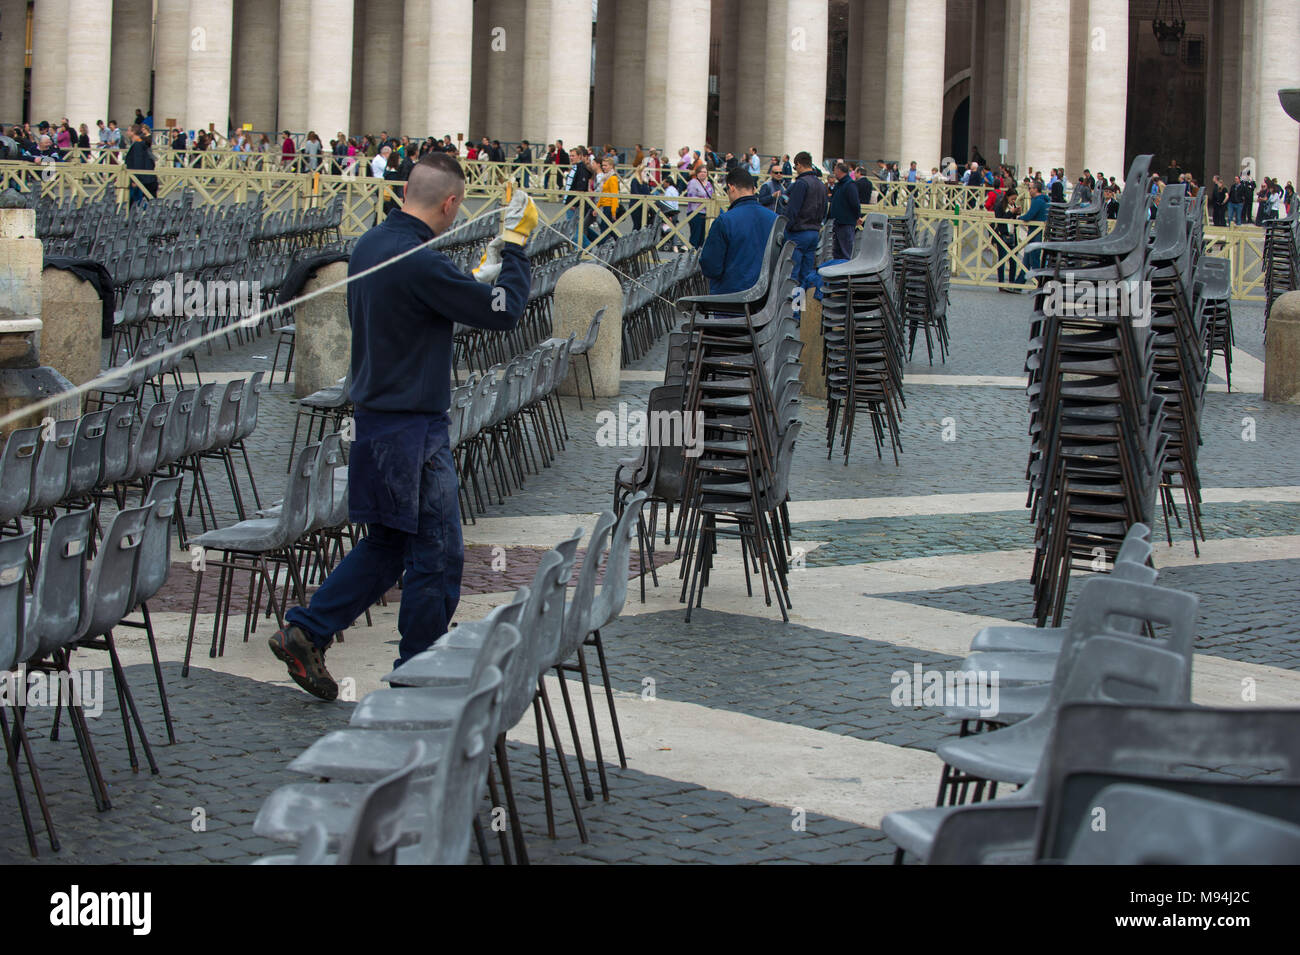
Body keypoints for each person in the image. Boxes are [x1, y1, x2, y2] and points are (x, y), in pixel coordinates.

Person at [269, 154, 537, 699]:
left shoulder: (372, 244)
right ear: (450, 203)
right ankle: (421, 671)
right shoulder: (418, 260)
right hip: (412, 428)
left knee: (389, 544)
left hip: (376, 419)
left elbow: (428, 299)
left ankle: (308, 629)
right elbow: (505, 311)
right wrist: (514, 249)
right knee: (437, 554)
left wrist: (476, 273)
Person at [699, 167, 779, 295]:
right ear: (753, 189)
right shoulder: (775, 219)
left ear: (731, 187)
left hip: (731, 297)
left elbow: (710, 267)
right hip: (766, 297)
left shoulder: (724, 220)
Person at [782, 151, 828, 292]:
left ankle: (793, 311)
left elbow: (792, 210)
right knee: (806, 276)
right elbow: (825, 209)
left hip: (799, 233)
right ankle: (802, 310)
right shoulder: (821, 185)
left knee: (793, 275)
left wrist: (786, 228)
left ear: (798, 165)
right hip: (814, 232)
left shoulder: (801, 183)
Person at [827, 161, 861, 260]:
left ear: (839, 171)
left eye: (835, 171)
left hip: (846, 223)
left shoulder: (850, 185)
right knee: (837, 252)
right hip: (837, 223)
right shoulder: (839, 185)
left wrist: (857, 217)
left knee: (845, 251)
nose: (834, 173)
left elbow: (855, 203)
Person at [1017, 181, 1049, 279]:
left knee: (1033, 259)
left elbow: (1029, 215)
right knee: (1027, 259)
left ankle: (1039, 283)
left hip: (1035, 232)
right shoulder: (1042, 200)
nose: (1029, 190)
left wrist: (1019, 217)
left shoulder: (1038, 201)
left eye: (1030, 188)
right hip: (1036, 231)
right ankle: (1019, 284)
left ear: (1036, 189)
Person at [124, 123, 156, 208]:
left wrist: (135, 179)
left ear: (133, 132)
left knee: (134, 201)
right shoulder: (141, 143)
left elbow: (138, 162)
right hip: (146, 178)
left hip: (140, 178)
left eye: (128, 130)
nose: (127, 132)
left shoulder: (138, 145)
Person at [684, 164, 714, 249]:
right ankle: (692, 257)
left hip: (706, 213)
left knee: (703, 238)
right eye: (701, 172)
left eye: (705, 172)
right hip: (695, 212)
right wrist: (703, 199)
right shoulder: (693, 182)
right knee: (695, 237)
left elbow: (711, 196)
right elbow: (691, 196)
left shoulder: (709, 184)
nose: (703, 173)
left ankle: (699, 258)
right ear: (697, 173)